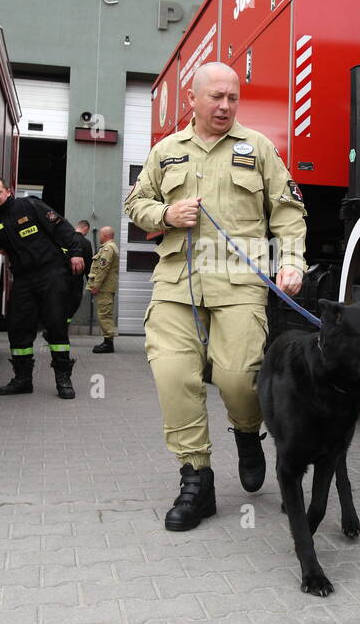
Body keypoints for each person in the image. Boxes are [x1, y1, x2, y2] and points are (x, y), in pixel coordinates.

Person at [124, 61, 306, 531]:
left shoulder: (258, 148)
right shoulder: (165, 152)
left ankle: (248, 433)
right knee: (172, 375)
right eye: (215, 97)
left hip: (239, 283)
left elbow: (287, 210)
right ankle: (196, 479)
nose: (224, 106)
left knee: (238, 378)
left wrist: (291, 260)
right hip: (175, 282)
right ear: (192, 98)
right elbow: (135, 204)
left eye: (232, 98)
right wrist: (166, 212)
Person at [0, 178, 85, 399]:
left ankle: (63, 380)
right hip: (24, 280)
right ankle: (22, 379)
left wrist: (75, 252)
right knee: (18, 328)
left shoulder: (30, 206)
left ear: (9, 191)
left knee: (56, 325)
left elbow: (60, 227)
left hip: (52, 273)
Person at [87, 225, 120, 353]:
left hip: (104, 288)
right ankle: (107, 342)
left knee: (104, 315)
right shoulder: (110, 247)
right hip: (106, 287)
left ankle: (108, 344)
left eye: (101, 234)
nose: (99, 236)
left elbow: (102, 269)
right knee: (105, 314)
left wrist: (96, 286)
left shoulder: (108, 248)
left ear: (105, 235)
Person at [63, 219, 94, 327]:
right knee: (74, 302)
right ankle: (64, 324)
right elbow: (89, 265)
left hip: (61, 278)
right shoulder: (86, 243)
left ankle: (56, 326)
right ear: (86, 229)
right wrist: (91, 282)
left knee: (59, 302)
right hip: (76, 280)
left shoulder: (65, 239)